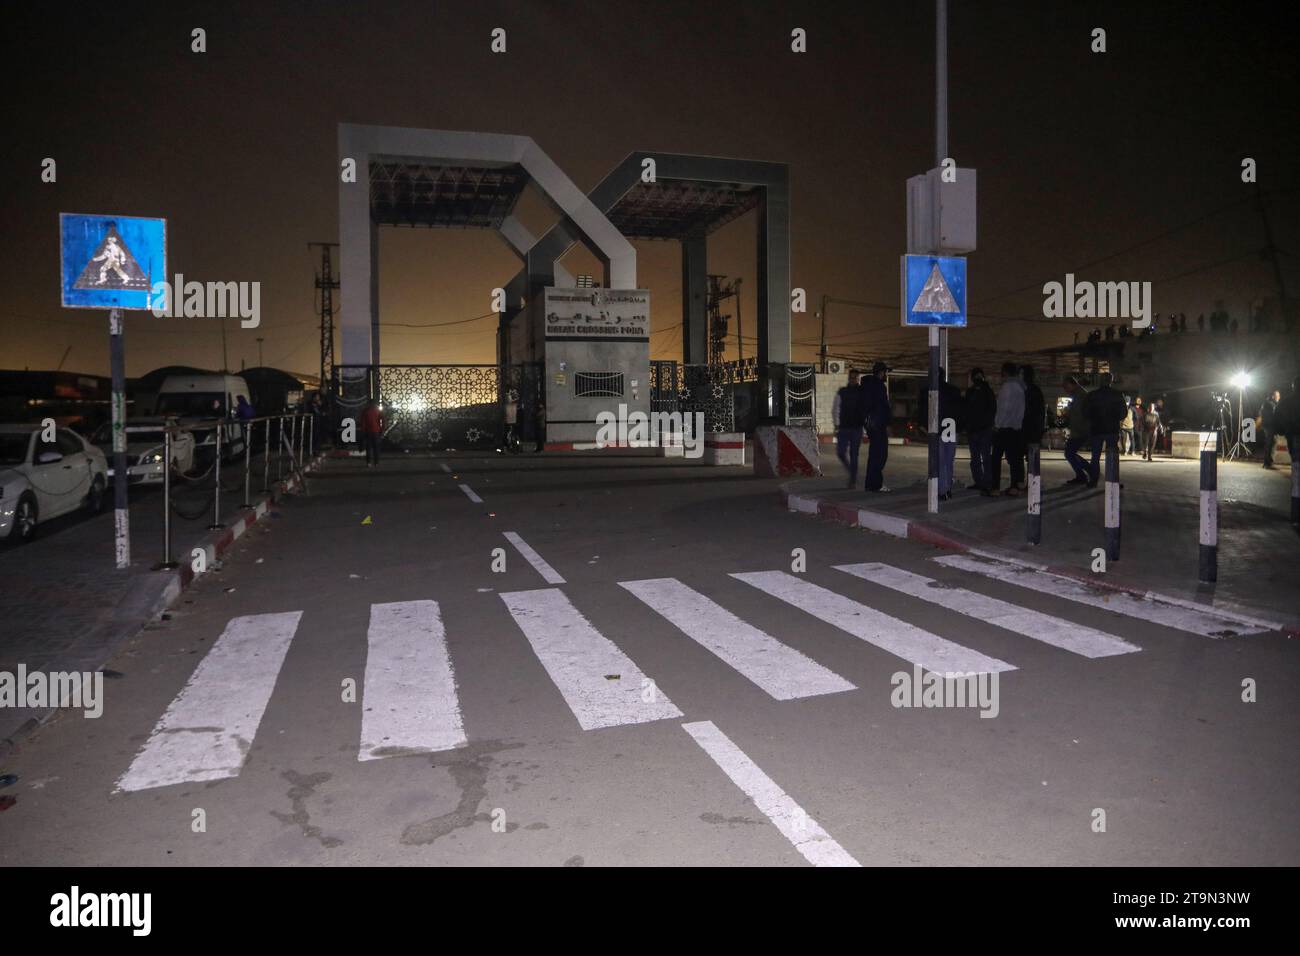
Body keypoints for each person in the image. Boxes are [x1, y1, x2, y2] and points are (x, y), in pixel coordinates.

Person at [918, 367, 964, 499]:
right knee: (949, 460)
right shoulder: (954, 390)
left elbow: (923, 411)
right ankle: (947, 488)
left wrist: (924, 427)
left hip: (937, 429)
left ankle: (942, 491)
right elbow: (960, 411)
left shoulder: (928, 391)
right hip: (952, 428)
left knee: (940, 460)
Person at [988, 362, 1025, 496]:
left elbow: (1003, 409)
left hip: (1003, 428)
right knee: (1014, 459)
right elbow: (1021, 410)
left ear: (1005, 372)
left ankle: (995, 488)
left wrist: (997, 425)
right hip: (1015, 429)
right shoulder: (1021, 387)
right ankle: (1015, 486)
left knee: (996, 459)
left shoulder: (1007, 387)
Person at [1085, 372, 1126, 487]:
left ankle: (1093, 481)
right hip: (1112, 430)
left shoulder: (1092, 395)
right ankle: (1113, 481)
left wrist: (1093, 420)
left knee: (1095, 456)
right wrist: (1115, 418)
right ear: (1111, 381)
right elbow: (1123, 413)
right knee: (1112, 456)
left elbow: (1086, 412)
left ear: (1100, 381)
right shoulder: (1117, 395)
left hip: (1096, 429)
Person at [861, 362, 891, 492]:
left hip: (870, 424)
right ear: (880, 372)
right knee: (880, 455)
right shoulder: (879, 386)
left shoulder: (866, 386)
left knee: (874, 454)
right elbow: (882, 407)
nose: (886, 375)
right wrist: (886, 423)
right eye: (885, 372)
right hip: (878, 424)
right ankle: (876, 484)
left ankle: (870, 484)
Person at [964, 367, 996, 492]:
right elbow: (993, 409)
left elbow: (966, 410)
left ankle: (980, 481)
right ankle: (986, 482)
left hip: (975, 430)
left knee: (976, 458)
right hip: (984, 430)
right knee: (985, 457)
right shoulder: (988, 391)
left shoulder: (971, 391)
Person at [832, 370, 865, 488]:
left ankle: (853, 480)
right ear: (848, 378)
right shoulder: (842, 392)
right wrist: (836, 424)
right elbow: (836, 408)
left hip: (857, 428)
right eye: (851, 378)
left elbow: (865, 411)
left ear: (858, 379)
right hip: (844, 428)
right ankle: (852, 472)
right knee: (840, 452)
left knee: (854, 454)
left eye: (855, 378)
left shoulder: (862, 392)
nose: (853, 380)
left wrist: (865, 430)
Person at [1062, 377, 1092, 484]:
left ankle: (1088, 472)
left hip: (1080, 430)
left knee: (1069, 453)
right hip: (1078, 429)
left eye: (1066, 386)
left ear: (1072, 384)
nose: (1065, 389)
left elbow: (1080, 415)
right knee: (1070, 453)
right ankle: (1085, 473)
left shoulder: (1081, 395)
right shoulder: (1078, 395)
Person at [1021, 365, 1046, 452]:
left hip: (1030, 429)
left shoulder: (1031, 390)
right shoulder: (1032, 390)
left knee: (1031, 458)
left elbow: (1037, 412)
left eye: (1021, 374)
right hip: (1029, 429)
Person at [1258, 388, 1281, 469]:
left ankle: (1268, 460)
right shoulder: (1270, 404)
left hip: (1267, 426)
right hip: (1269, 426)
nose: (1279, 397)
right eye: (1277, 396)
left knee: (1271, 442)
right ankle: (1266, 462)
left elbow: (1261, 414)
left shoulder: (1267, 403)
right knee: (1269, 443)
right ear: (1273, 396)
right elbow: (1272, 416)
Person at [360, 399, 383, 467]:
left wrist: (363, 431)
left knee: (368, 448)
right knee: (376, 448)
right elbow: (382, 420)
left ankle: (369, 462)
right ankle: (376, 462)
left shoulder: (365, 411)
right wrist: (381, 429)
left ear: (368, 404)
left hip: (368, 432)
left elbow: (363, 422)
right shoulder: (378, 411)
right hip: (376, 431)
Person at [1139, 396, 1162, 461]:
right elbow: (1142, 421)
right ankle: (1145, 453)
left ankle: (1149, 455)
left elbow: (1158, 422)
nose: (1151, 409)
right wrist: (1141, 427)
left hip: (1153, 431)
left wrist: (1160, 428)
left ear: (1154, 408)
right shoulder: (1145, 414)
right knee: (1145, 443)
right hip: (1146, 430)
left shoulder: (1156, 414)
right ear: (1148, 408)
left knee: (1152, 444)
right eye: (1150, 407)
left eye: (1152, 407)